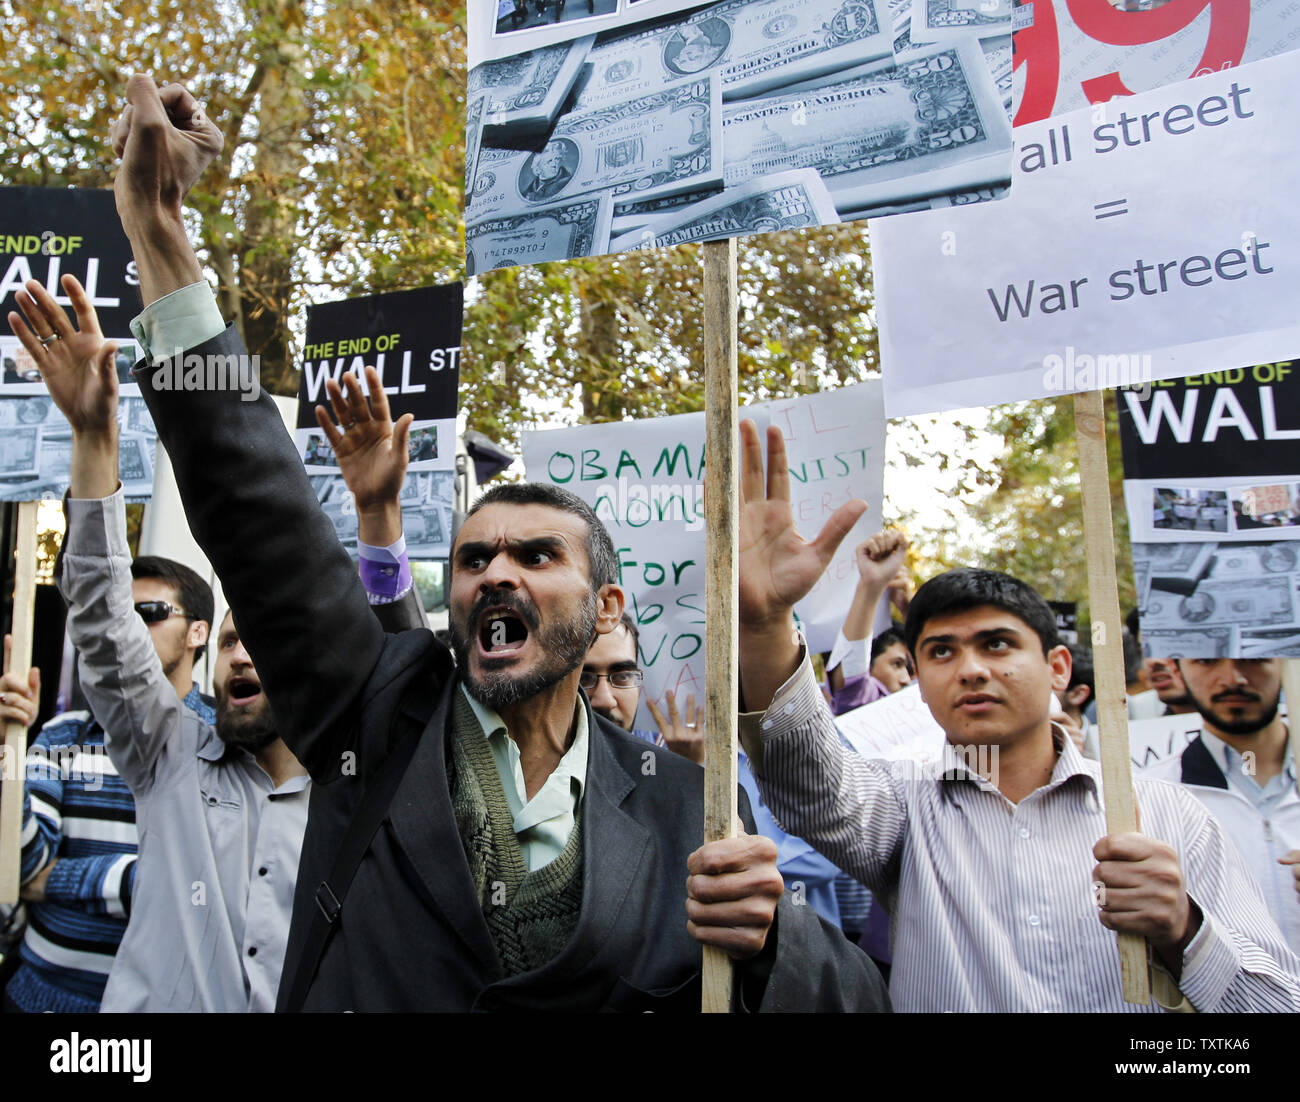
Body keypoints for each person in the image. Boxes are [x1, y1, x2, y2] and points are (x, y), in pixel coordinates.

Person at [106, 75, 886, 1012]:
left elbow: (854, 998)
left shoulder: (688, 803)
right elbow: (255, 512)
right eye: (475, 559)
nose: (497, 573)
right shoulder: (375, 711)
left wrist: (767, 942)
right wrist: (157, 228)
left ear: (605, 608)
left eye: (536, 556)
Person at [735, 421, 1300, 1011]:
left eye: (998, 644)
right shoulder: (900, 806)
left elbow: (1276, 1004)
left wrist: (1186, 931)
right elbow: (801, 775)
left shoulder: (1165, 815)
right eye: (941, 651)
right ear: (921, 684)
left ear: (1058, 669)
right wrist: (763, 624)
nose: (971, 669)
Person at [0, 551, 214, 1014]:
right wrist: (7, 751)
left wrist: (59, 880)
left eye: (151, 614)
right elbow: (18, 868)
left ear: (198, 632)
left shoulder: (224, 743)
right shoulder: (64, 733)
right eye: (122, 615)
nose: (131, 628)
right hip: (38, 999)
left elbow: (207, 889)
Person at [1139, 658, 1300, 954]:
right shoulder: (1149, 798)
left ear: (1285, 662)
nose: (1233, 678)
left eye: (1253, 658)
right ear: (1178, 670)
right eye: (1207, 661)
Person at [826, 529, 910, 715]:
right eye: (896, 664)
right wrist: (871, 585)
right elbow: (851, 680)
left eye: (906, 666)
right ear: (867, 663)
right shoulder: (865, 701)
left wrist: (907, 607)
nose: (906, 679)